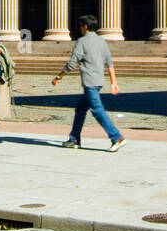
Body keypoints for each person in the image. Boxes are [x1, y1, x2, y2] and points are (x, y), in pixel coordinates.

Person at [51, 14, 125, 152]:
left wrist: (58, 77)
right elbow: (109, 62)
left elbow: (72, 63)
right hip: (98, 81)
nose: (80, 28)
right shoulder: (102, 41)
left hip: (90, 82)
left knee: (97, 111)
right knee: (80, 110)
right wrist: (114, 81)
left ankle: (117, 137)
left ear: (85, 27)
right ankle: (74, 139)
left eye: (81, 26)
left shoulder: (82, 41)